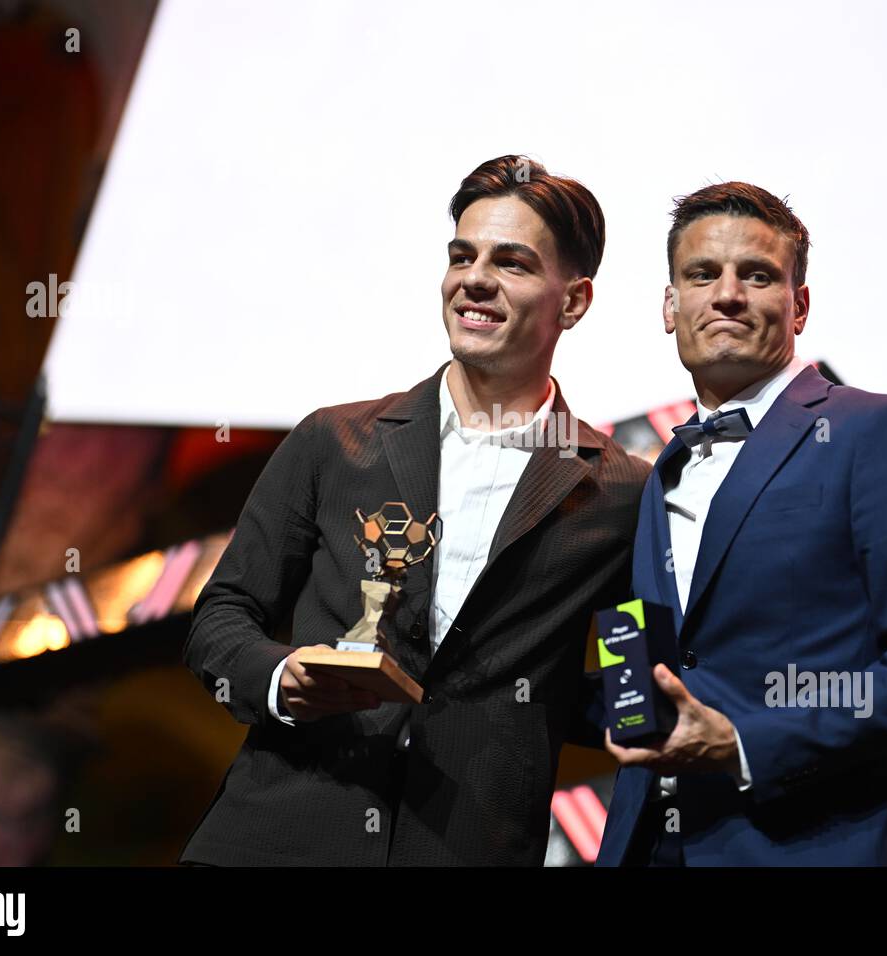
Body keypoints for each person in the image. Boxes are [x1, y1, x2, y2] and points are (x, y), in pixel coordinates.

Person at [179, 155, 649, 866]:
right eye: (462, 256)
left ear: (574, 301)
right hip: (275, 835)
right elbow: (221, 618)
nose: (475, 279)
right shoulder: (335, 442)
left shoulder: (620, 493)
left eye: (513, 263)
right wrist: (283, 677)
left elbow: (631, 680)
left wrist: (530, 716)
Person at [596, 182, 887, 866]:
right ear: (670, 305)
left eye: (756, 275)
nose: (726, 295)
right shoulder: (662, 471)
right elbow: (657, 664)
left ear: (799, 304)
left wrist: (746, 741)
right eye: (701, 275)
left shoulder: (875, 430)